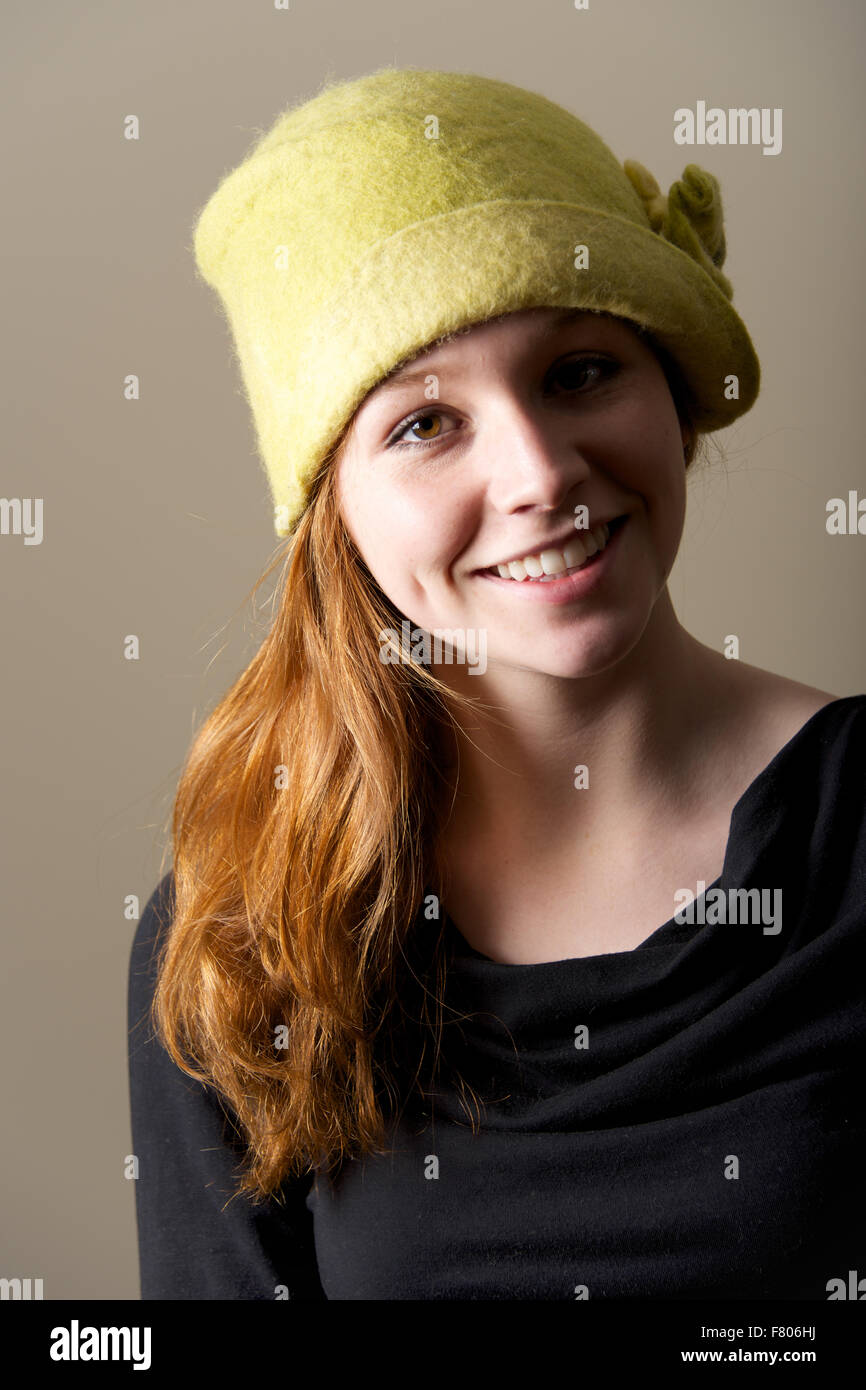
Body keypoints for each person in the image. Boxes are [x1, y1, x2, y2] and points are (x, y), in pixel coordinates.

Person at [127, 66, 866, 1300]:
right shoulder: (243, 925)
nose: (537, 472)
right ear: (333, 509)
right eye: (423, 424)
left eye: (578, 370)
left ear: (670, 392)